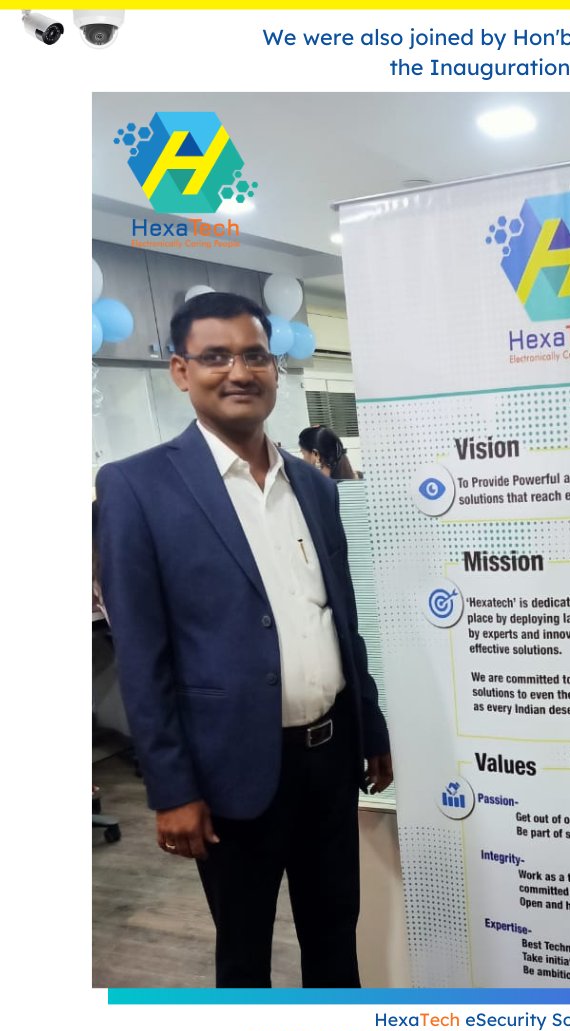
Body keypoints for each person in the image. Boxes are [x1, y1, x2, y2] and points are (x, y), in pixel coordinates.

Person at [96, 291, 392, 988]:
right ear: (181, 370)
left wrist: (370, 725)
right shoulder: (137, 488)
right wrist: (172, 788)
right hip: (230, 773)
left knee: (335, 936)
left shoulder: (313, 488)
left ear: (275, 369)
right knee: (244, 955)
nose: (239, 371)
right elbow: (142, 656)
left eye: (255, 355)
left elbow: (341, 620)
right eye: (216, 357)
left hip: (330, 759)